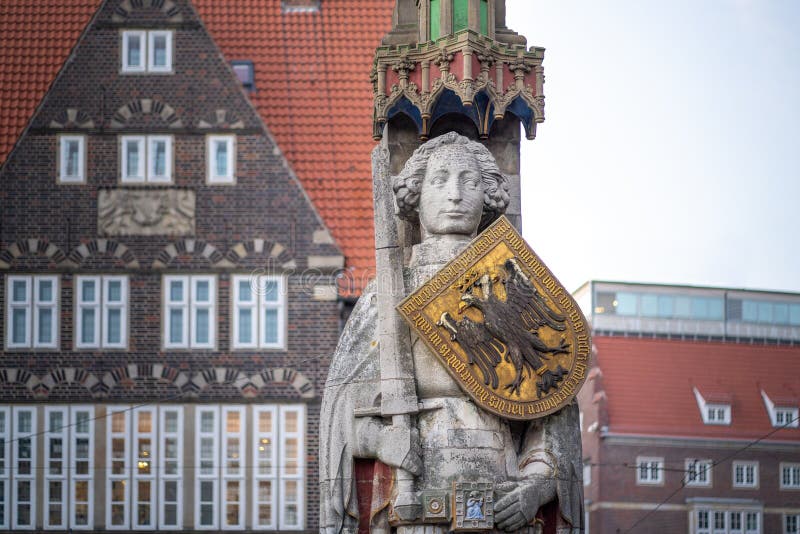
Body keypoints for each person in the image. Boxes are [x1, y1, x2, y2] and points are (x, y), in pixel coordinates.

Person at [320, 132, 583, 534]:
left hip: (505, 500)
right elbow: (341, 411)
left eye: (470, 181)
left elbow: (554, 403)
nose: (456, 195)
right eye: (440, 180)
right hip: (418, 501)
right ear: (416, 194)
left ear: (488, 195)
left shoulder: (517, 284)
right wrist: (380, 441)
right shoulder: (391, 291)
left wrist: (537, 486)